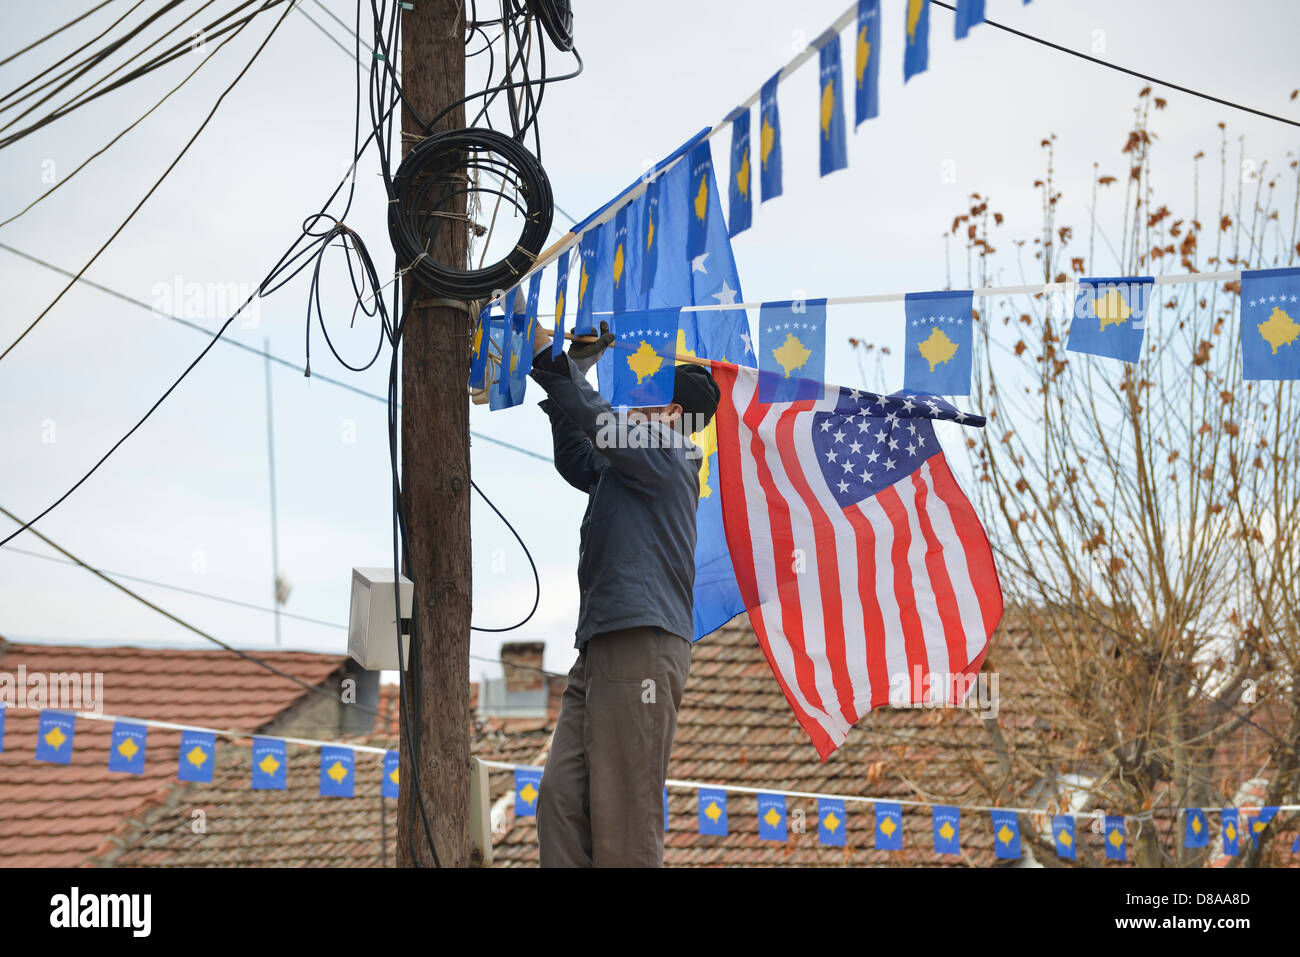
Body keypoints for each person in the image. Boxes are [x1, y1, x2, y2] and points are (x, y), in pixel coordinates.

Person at [526, 321, 721, 867]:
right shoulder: (633, 462)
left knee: (625, 820)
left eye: (648, 399)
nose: (634, 405)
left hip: (639, 640)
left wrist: (550, 355)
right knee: (562, 802)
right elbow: (577, 454)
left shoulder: (668, 457)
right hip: (605, 640)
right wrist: (579, 367)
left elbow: (599, 422)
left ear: (674, 417)